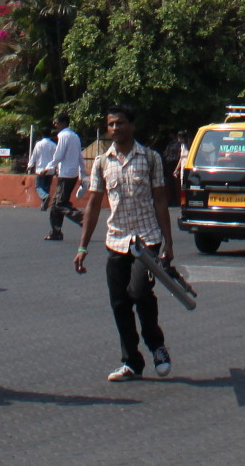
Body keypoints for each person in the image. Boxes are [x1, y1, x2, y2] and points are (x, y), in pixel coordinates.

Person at [73, 106, 175, 382]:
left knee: (140, 292)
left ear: (132, 125)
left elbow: (160, 201)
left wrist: (168, 243)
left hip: (147, 240)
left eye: (120, 123)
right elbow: (93, 204)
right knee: (119, 303)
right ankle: (131, 362)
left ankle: (157, 347)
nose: (115, 128)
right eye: (111, 124)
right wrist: (82, 247)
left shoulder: (150, 159)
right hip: (116, 240)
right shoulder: (102, 162)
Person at [47, 120, 85, 241]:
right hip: (72, 173)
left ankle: (82, 218)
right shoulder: (75, 136)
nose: (55, 125)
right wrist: (82, 172)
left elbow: (59, 155)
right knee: (55, 203)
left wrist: (49, 167)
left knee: (59, 204)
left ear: (62, 123)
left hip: (65, 174)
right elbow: (80, 155)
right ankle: (56, 231)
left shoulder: (63, 136)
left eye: (56, 123)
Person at [31, 127, 59, 212]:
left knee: (38, 186)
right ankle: (43, 205)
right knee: (46, 187)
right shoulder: (54, 145)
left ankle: (44, 197)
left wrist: (30, 165)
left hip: (40, 169)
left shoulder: (38, 144)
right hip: (50, 170)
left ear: (42, 134)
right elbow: (56, 158)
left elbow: (34, 156)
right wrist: (57, 169)